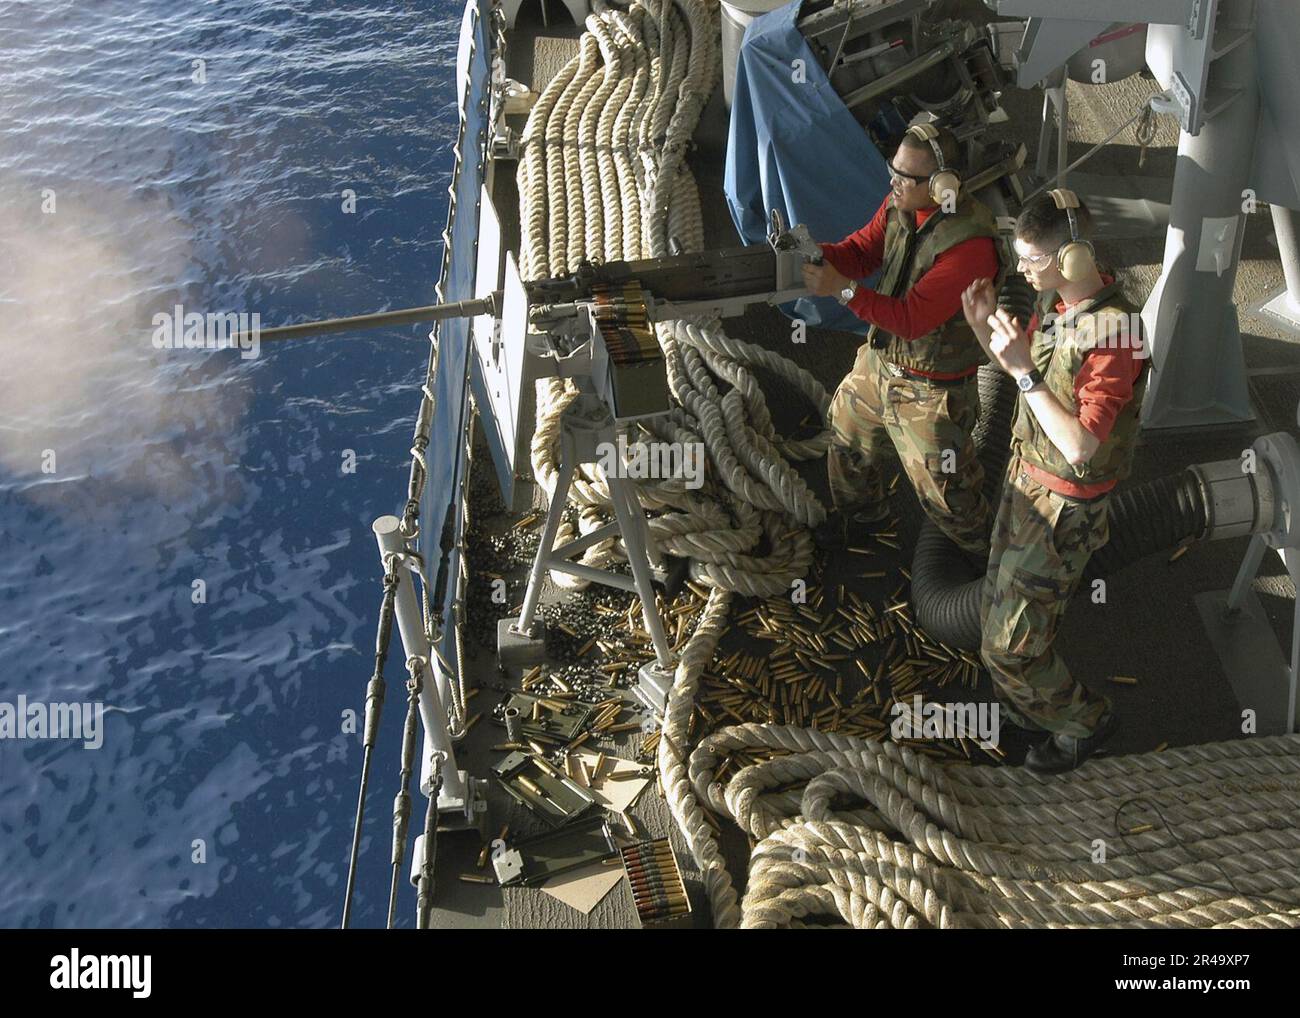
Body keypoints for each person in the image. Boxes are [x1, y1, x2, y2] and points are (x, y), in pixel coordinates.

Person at [961, 189, 1147, 774]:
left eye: (1030, 259)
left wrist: (1018, 369)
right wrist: (987, 336)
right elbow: (1042, 385)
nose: (1020, 269)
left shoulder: (1115, 334)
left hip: (1064, 508)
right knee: (999, 606)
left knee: (1009, 648)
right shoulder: (1065, 306)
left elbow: (1082, 445)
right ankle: (1026, 704)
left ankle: (1085, 722)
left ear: (1067, 259)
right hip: (1029, 485)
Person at [803, 122, 1001, 554]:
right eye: (892, 170)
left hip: (932, 395)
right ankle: (864, 522)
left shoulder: (969, 248)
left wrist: (841, 288)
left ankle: (988, 559)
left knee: (948, 496)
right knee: (845, 442)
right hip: (881, 364)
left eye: (905, 177)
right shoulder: (901, 205)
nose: (893, 183)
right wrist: (814, 254)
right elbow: (860, 252)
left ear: (942, 184)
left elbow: (911, 320)